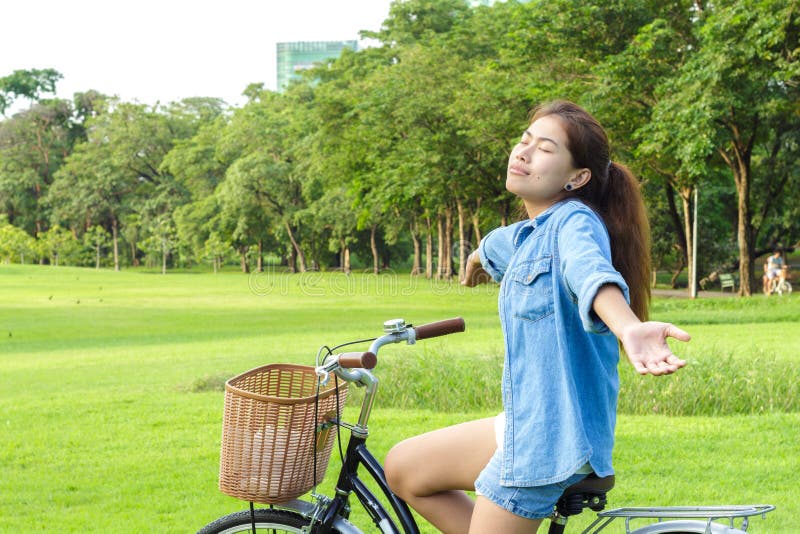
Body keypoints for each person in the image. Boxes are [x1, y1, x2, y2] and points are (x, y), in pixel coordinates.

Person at [384, 100, 690, 534]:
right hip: (528, 422)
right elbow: (494, 246)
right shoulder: (530, 233)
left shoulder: (574, 223)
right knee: (403, 467)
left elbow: (589, 272)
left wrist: (628, 326)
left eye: (545, 148)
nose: (523, 153)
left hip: (550, 441)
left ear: (577, 178)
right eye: (524, 141)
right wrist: (473, 264)